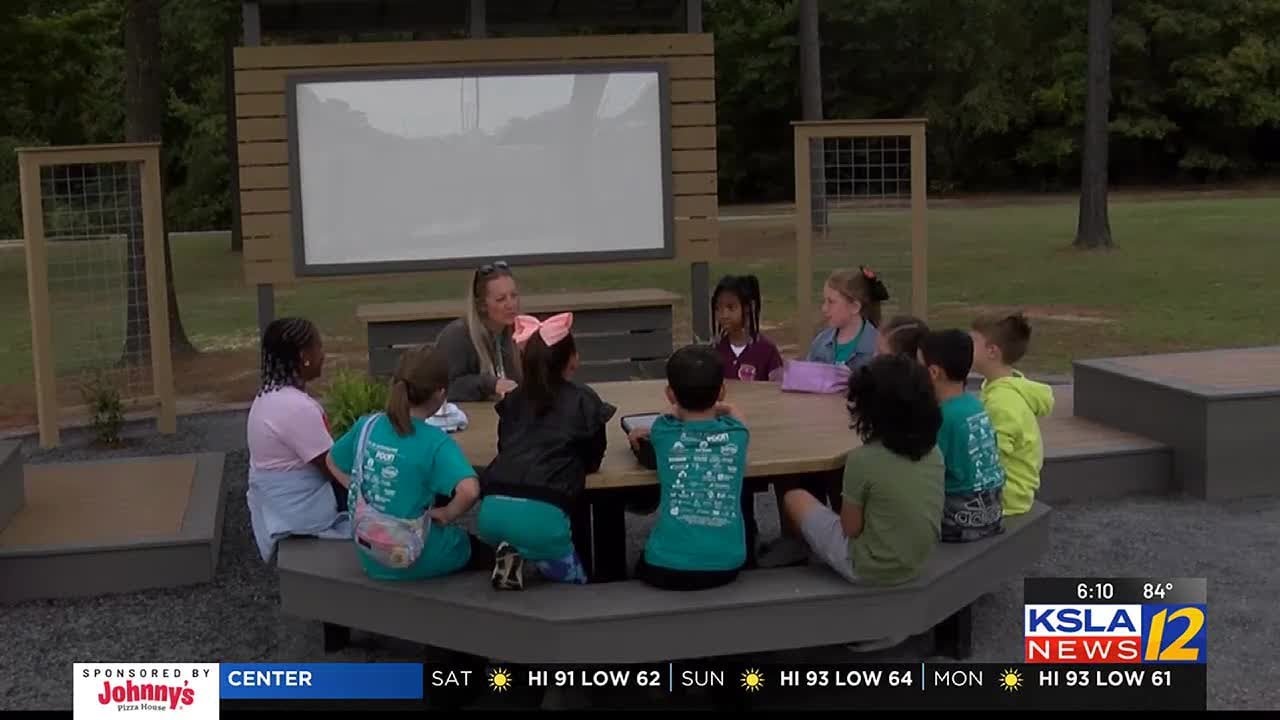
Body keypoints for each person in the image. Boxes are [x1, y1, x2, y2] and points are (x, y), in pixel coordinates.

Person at [326, 346, 493, 581]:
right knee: (476, 548)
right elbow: (470, 490)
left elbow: (331, 461)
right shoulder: (436, 441)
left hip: (370, 553)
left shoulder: (367, 425)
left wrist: (359, 488)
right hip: (416, 557)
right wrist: (447, 513)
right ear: (441, 393)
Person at [476, 312, 617, 590]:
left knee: (530, 537)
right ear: (573, 360)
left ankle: (514, 551)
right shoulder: (583, 400)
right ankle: (572, 576)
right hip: (543, 513)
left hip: (492, 506)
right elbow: (593, 456)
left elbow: (505, 446)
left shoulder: (514, 400)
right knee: (575, 581)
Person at [779, 354, 945, 586]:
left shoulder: (862, 460)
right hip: (917, 559)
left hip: (867, 567)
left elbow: (850, 528)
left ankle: (799, 562)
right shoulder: (934, 451)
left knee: (794, 498)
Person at [628, 345, 751, 591]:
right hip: (726, 564)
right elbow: (739, 417)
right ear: (722, 392)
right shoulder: (737, 434)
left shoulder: (663, 431)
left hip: (667, 566)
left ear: (670, 394)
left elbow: (667, 416)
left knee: (637, 562)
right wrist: (722, 406)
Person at [245, 317, 350, 564]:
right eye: (319, 347)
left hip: (276, 506)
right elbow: (334, 469)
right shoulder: (296, 407)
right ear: (304, 355)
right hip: (300, 513)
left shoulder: (266, 398)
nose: (323, 355)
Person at [918, 329, 1005, 542]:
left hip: (959, 519)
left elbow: (925, 472)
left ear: (934, 372)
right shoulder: (975, 404)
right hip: (993, 510)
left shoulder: (941, 418)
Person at [970, 312, 1055, 517]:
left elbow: (991, 458)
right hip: (1008, 490)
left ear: (992, 352)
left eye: (971, 342)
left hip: (1006, 497)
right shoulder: (1000, 388)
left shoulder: (1002, 403)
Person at [433, 260, 522, 401]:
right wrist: (490, 384)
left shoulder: (518, 333)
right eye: (501, 299)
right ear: (482, 305)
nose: (511, 304)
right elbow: (447, 388)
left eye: (514, 295)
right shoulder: (457, 337)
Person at [805, 266, 890, 372]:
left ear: (855, 307)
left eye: (831, 302)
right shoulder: (820, 342)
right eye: (824, 301)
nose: (824, 308)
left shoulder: (879, 348)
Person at [711, 274, 784, 382]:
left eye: (730, 307)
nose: (724, 315)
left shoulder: (767, 351)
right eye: (718, 308)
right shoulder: (714, 352)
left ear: (747, 308)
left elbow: (778, 389)